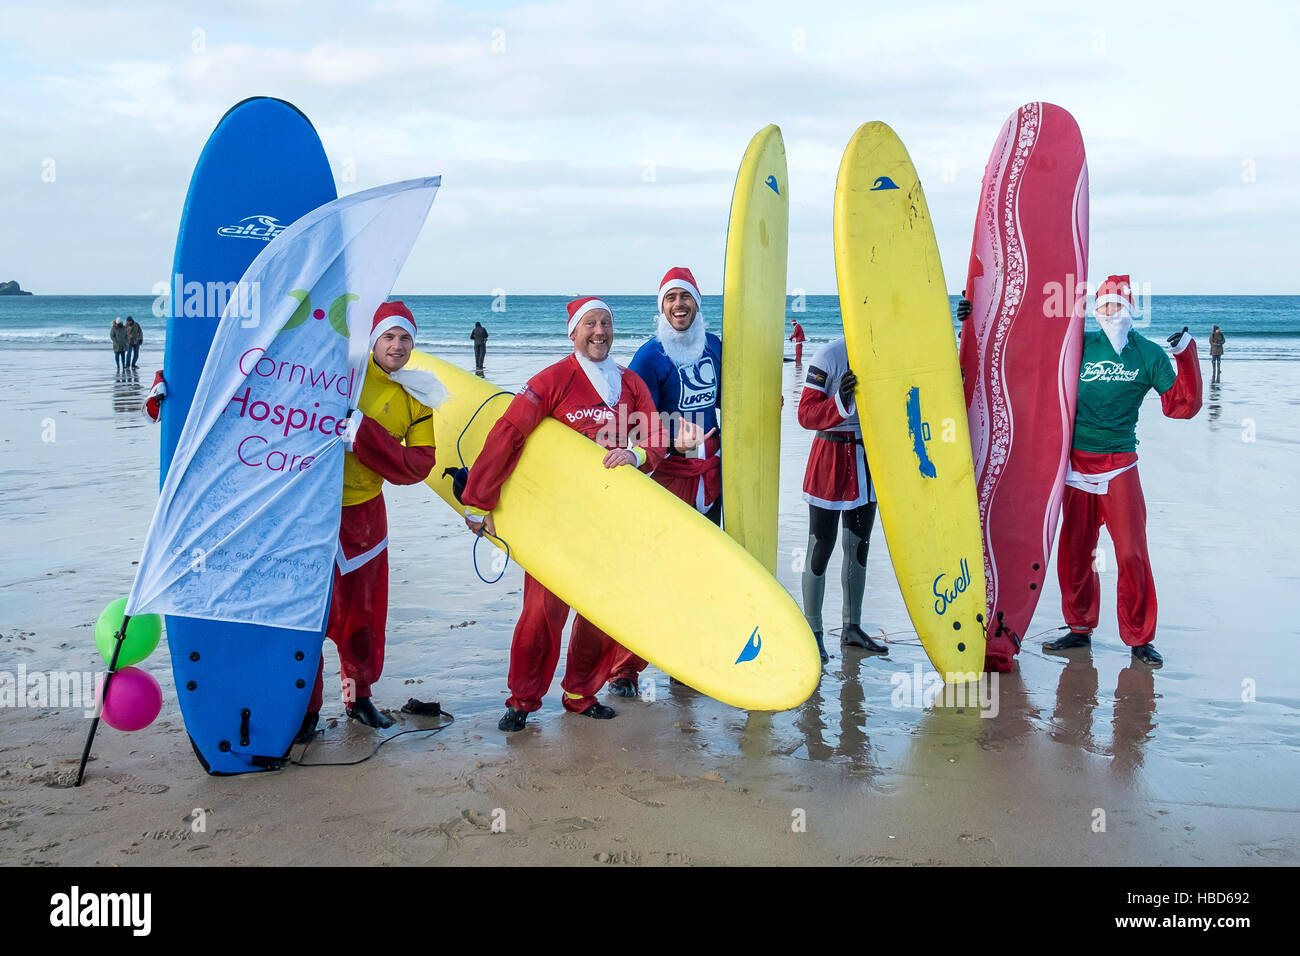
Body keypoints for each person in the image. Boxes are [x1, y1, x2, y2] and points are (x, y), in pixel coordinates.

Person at [461, 297, 667, 731]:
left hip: (611, 521)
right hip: (555, 521)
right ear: (572, 333)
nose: (599, 331)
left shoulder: (629, 384)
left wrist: (636, 453)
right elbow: (509, 433)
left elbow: (655, 436)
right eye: (590, 323)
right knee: (541, 614)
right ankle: (522, 700)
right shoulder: (553, 379)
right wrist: (479, 498)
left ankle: (580, 693)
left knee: (597, 613)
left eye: (606, 324)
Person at [297, 301, 438, 741]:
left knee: (363, 615)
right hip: (307, 513)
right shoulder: (337, 373)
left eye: (405, 338)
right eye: (388, 336)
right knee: (307, 615)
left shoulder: (418, 396)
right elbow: (268, 386)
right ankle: (303, 708)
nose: (397, 346)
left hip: (365, 518)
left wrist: (364, 434)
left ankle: (358, 699)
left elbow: (418, 464)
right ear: (372, 339)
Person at [1043, 275, 1201, 668]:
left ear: (1130, 311)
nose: (1110, 312)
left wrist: (1185, 354)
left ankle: (1140, 640)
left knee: (1131, 552)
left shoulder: (1147, 355)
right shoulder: (1079, 348)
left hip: (1120, 465)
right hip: (1076, 466)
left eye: (1117, 306)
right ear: (1095, 312)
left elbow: (1180, 405)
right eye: (1103, 306)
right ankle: (1079, 629)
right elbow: (1035, 368)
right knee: (1076, 550)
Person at [607, 267, 721, 697]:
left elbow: (733, 397)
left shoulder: (714, 347)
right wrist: (673, 436)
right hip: (667, 477)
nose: (679, 305)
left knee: (698, 571)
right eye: (671, 298)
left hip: (712, 478)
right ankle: (624, 670)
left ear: (696, 302)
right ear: (662, 306)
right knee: (655, 572)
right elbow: (631, 420)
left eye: (685, 297)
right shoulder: (649, 356)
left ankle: (685, 661)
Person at [796, 336, 887, 663]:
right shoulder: (830, 354)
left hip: (867, 458)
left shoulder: (886, 347)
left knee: (859, 545)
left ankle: (852, 627)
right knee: (821, 546)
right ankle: (813, 634)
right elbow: (805, 414)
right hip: (829, 458)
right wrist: (840, 399)